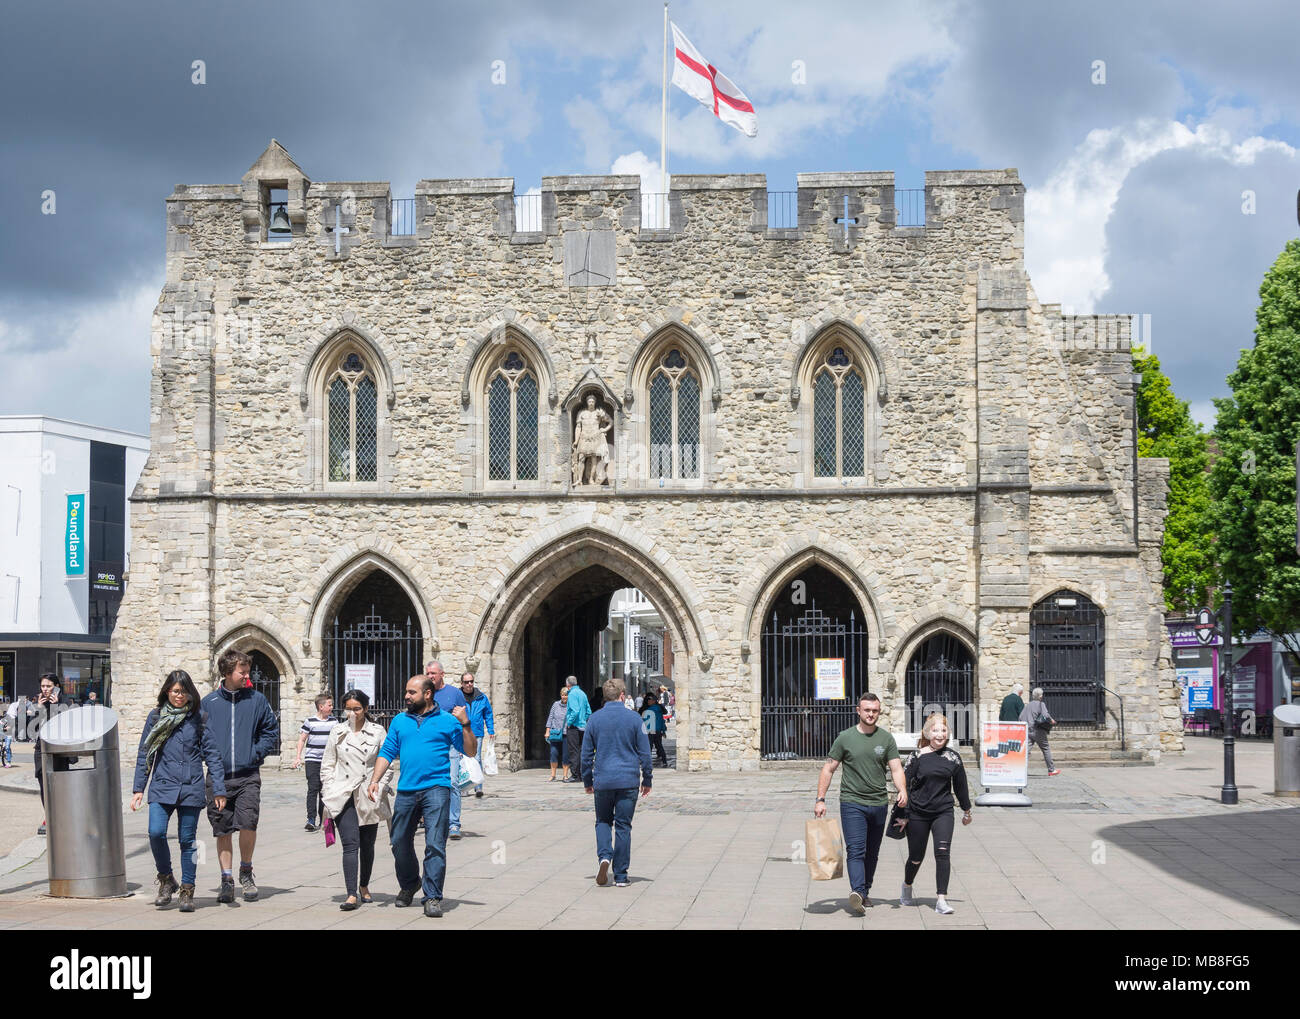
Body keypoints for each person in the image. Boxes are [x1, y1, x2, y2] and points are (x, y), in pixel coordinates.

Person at [369, 675, 476, 918]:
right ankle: (410, 884)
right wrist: (374, 780)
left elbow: (469, 750)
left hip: (437, 790)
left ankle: (433, 896)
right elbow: (387, 751)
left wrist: (466, 725)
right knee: (398, 841)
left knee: (435, 845)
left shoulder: (448, 721)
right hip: (407, 790)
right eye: (406, 692)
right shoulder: (399, 721)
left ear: (427, 694)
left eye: (411, 692)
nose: (406, 696)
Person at [131, 671, 227, 913]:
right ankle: (166, 879)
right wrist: (138, 788)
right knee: (155, 833)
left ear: (190, 693)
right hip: (162, 785)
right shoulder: (155, 717)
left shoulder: (199, 718)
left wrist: (218, 789)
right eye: (175, 691)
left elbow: (213, 756)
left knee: (187, 841)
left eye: (183, 692)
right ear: (167, 692)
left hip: (190, 787)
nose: (179, 696)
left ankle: (187, 890)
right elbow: (146, 753)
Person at [815, 692, 907, 916]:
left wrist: (902, 789)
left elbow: (896, 768)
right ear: (858, 711)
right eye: (867, 710)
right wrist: (820, 799)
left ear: (879, 711)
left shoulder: (885, 739)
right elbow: (828, 768)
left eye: (875, 711)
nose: (871, 714)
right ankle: (856, 891)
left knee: (872, 852)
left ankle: (865, 892)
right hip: (852, 802)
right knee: (856, 850)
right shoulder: (845, 738)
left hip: (878, 803)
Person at [201, 649, 280, 904]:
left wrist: (255, 753)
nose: (247, 676)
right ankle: (226, 878)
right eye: (242, 672)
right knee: (222, 828)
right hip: (218, 777)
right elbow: (200, 737)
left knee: (248, 823)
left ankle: (246, 870)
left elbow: (270, 730)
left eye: (247, 671)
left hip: (248, 775)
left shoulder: (256, 700)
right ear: (227, 672)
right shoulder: (208, 703)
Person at [321, 688, 394, 910]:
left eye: (357, 709)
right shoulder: (337, 731)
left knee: (367, 845)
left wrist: (379, 786)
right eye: (348, 709)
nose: (352, 713)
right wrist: (329, 789)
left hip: (368, 792)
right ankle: (351, 893)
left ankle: (364, 886)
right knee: (350, 844)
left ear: (365, 708)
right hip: (343, 793)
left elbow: (387, 762)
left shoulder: (378, 731)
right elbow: (328, 763)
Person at [896, 713, 972, 915]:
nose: (940, 734)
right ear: (928, 733)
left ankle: (941, 900)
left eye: (944, 730)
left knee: (942, 852)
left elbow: (961, 786)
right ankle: (907, 885)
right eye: (936, 730)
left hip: (943, 811)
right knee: (916, 856)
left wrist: (966, 810)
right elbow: (904, 787)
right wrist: (903, 814)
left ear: (948, 733)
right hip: (918, 813)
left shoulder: (953, 757)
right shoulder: (917, 756)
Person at [581, 678, 652, 888]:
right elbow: (645, 754)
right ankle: (620, 875)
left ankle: (604, 856)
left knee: (603, 821)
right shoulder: (635, 720)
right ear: (623, 695)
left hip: (603, 780)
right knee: (623, 826)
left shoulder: (594, 720)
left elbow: (586, 756)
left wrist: (587, 779)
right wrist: (647, 778)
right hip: (628, 780)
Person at [425, 661, 468, 838]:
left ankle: (454, 823)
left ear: (442, 674)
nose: (430, 677)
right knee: (429, 783)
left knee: (452, 782)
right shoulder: (424, 693)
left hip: (450, 745)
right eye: (427, 673)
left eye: (433, 673)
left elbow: (463, 717)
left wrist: (461, 745)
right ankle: (430, 819)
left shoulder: (454, 693)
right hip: (428, 744)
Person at [31, 674, 72, 836]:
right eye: (43, 686)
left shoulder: (65, 703)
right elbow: (33, 730)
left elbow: (66, 727)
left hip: (59, 751)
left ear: (56, 686)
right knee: (44, 785)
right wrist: (39, 710)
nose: (45, 689)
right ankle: (49, 816)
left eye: (48, 686)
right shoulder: (40, 703)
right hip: (41, 749)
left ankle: (61, 817)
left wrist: (56, 707)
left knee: (59, 785)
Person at [294, 694, 337, 832]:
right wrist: (298, 757)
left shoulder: (334, 722)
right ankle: (311, 819)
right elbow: (302, 739)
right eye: (329, 705)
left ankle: (324, 819)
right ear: (321, 706)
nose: (332, 707)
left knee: (325, 791)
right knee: (313, 789)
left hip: (328, 762)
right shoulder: (310, 721)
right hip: (312, 760)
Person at [459, 672, 495, 799]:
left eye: (471, 681)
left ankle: (478, 787)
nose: (469, 684)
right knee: (462, 760)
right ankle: (464, 787)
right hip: (462, 732)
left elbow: (488, 714)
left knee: (476, 758)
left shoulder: (481, 697)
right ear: (462, 683)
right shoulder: (457, 697)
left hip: (477, 732)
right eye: (466, 682)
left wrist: (491, 730)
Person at [1019, 688, 1060, 776]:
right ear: (1040, 696)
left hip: (1028, 731)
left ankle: (1020, 770)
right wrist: (1051, 720)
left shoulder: (1028, 705)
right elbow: (1045, 715)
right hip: (1038, 730)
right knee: (1046, 748)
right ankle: (1051, 769)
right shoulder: (1041, 704)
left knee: (1026, 751)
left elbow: (1021, 717)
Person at [563, 675, 591, 784]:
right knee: (581, 751)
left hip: (574, 727)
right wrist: (584, 721)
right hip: (583, 727)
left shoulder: (572, 694)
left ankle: (575, 775)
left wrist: (569, 722)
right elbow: (588, 711)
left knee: (573, 751)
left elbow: (575, 711)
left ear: (568, 684)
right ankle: (582, 774)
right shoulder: (582, 693)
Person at [545, 687, 569, 781]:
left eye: (566, 695)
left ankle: (565, 775)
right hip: (555, 732)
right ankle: (553, 775)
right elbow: (550, 718)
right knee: (553, 753)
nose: (564, 697)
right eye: (563, 695)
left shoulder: (571, 706)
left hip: (566, 733)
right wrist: (547, 731)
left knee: (566, 755)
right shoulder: (555, 704)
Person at [641, 691, 669, 767]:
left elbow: (644, 721)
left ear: (653, 701)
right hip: (657, 731)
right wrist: (663, 730)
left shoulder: (648, 710)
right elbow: (661, 721)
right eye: (648, 700)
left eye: (650, 700)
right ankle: (664, 761)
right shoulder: (659, 709)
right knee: (659, 746)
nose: (648, 701)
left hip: (650, 731)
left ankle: (646, 762)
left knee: (648, 747)